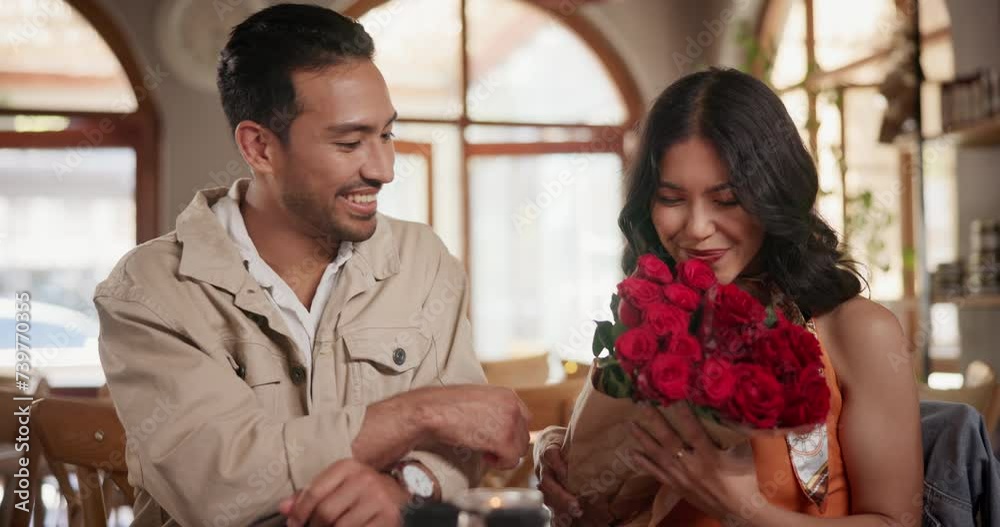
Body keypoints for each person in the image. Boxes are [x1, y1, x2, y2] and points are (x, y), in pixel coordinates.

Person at [94, 4, 530, 527]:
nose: (384, 169)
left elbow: (466, 442)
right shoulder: (147, 289)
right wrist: (419, 413)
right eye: (350, 143)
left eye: (386, 135)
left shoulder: (424, 261)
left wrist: (406, 488)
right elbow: (218, 487)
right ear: (259, 147)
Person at [534, 68, 924, 526]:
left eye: (727, 199)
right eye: (672, 198)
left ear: (774, 194)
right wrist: (555, 449)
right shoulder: (657, 319)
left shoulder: (857, 331)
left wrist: (742, 507)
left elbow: (897, 522)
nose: (697, 228)